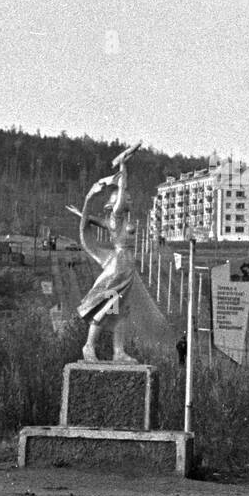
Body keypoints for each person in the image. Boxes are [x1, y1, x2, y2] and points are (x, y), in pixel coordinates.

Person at [76, 143, 141, 362]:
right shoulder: (117, 216)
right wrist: (123, 164)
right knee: (108, 308)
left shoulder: (115, 221)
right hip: (119, 268)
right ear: (116, 204)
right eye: (125, 199)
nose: (129, 200)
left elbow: (96, 221)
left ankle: (119, 351)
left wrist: (86, 215)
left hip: (125, 266)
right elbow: (122, 188)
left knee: (120, 311)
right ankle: (88, 346)